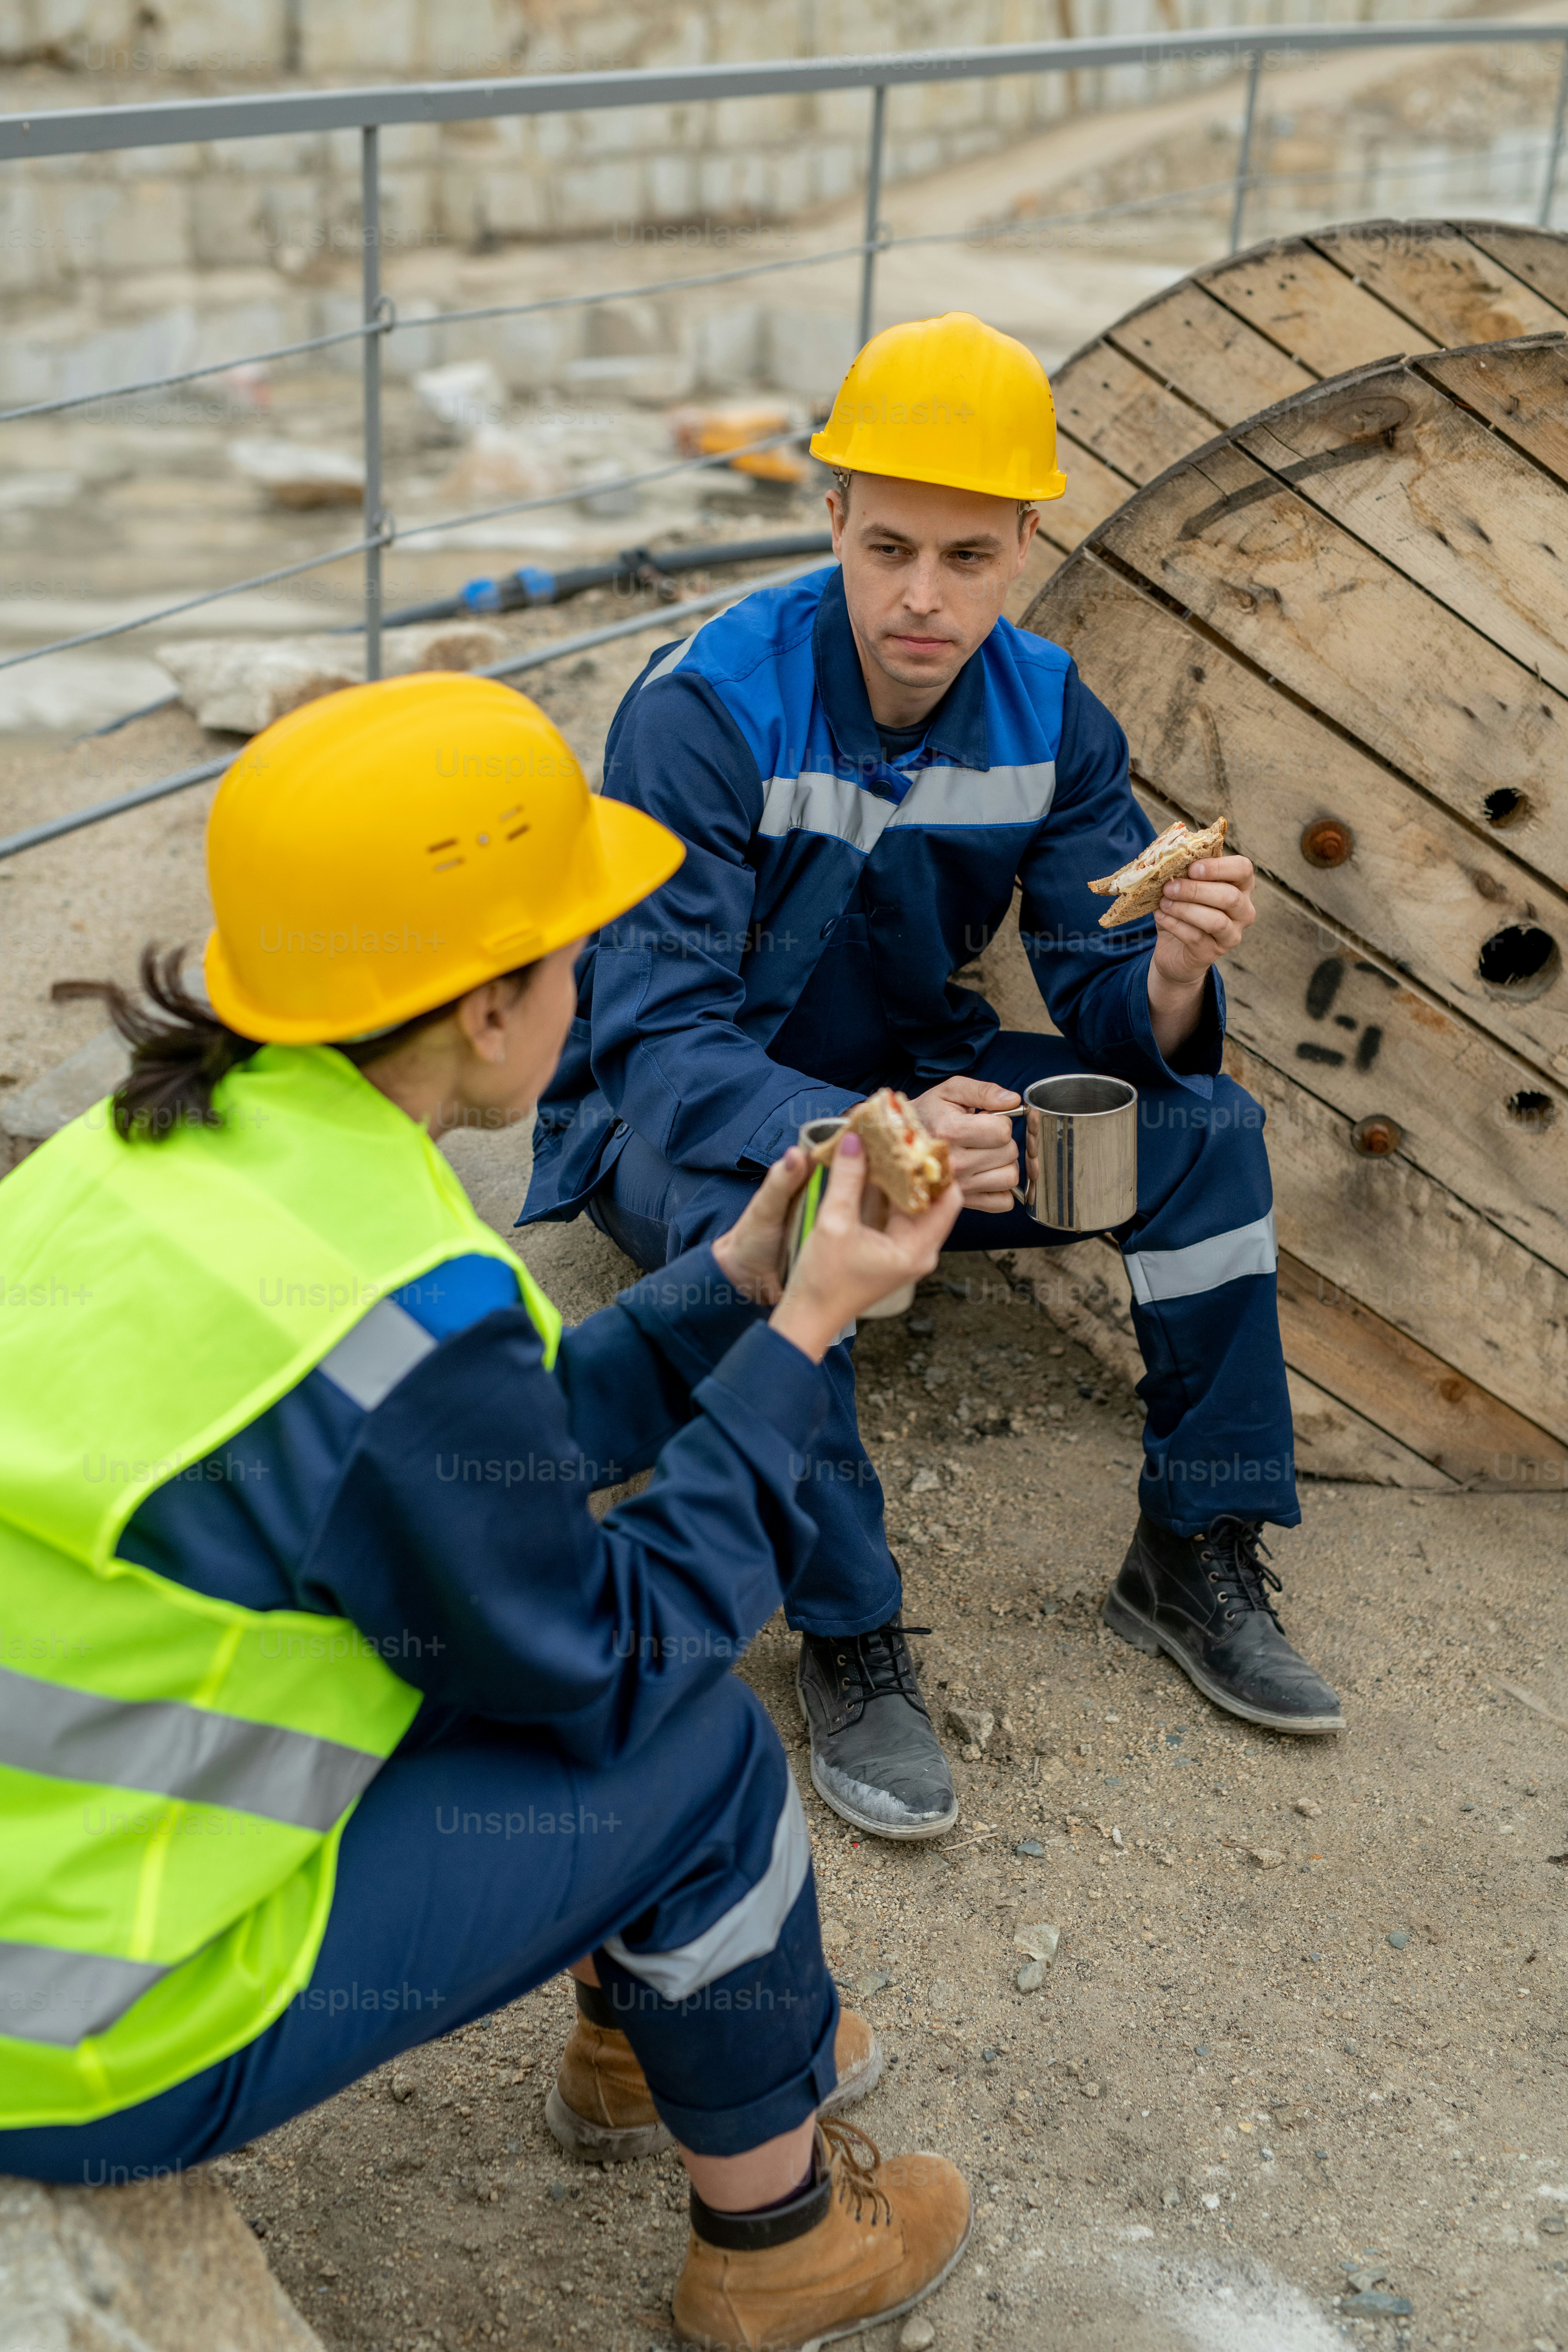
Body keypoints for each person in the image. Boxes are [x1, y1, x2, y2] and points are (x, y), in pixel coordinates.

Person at [0, 674, 971, 2350]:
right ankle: (781, 2245)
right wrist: (811, 1329)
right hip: (82, 2025)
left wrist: (735, 1278)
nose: (588, 976)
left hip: (49, 1872)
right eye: (570, 945)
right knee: (701, 1753)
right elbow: (606, 1655)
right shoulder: (404, 1302)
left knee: (524, 1671)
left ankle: (651, 2039)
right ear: (486, 1006)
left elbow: (465, 1467)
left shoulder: (140, 1146)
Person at [521, 310, 1344, 1843]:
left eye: (968, 560)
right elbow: (655, 1040)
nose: (922, 597)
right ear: (828, 512)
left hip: (923, 1084)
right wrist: (855, 1132)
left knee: (1207, 1131)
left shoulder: (1053, 715)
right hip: (691, 1120)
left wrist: (1168, 976)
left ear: (1025, 545)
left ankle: (1196, 1542)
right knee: (801, 1187)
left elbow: (1099, 988)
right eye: (888, 545)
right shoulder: (704, 713)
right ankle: (851, 1632)